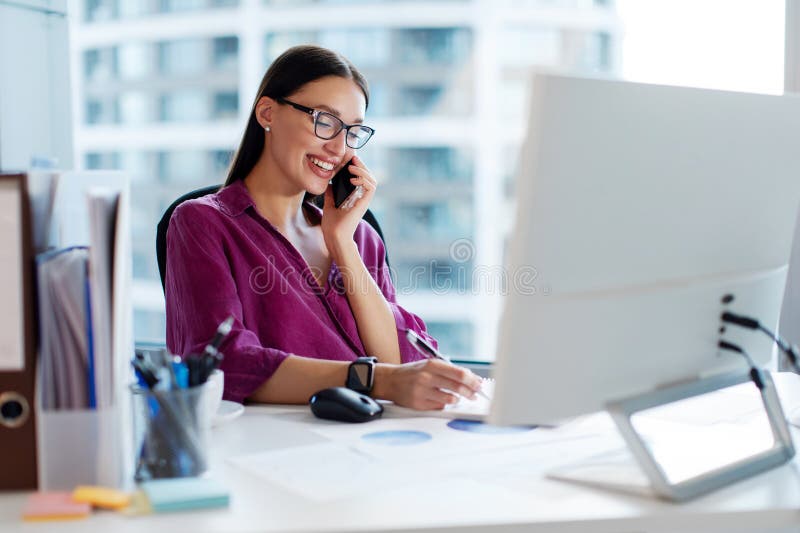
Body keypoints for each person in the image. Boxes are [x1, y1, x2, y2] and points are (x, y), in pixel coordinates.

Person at [165, 45, 483, 409]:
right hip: (269, 441)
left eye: (352, 132)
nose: (338, 148)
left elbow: (400, 362)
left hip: (366, 435)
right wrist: (374, 379)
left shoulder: (360, 237)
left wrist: (341, 242)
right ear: (267, 113)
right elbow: (225, 364)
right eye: (325, 121)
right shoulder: (202, 223)